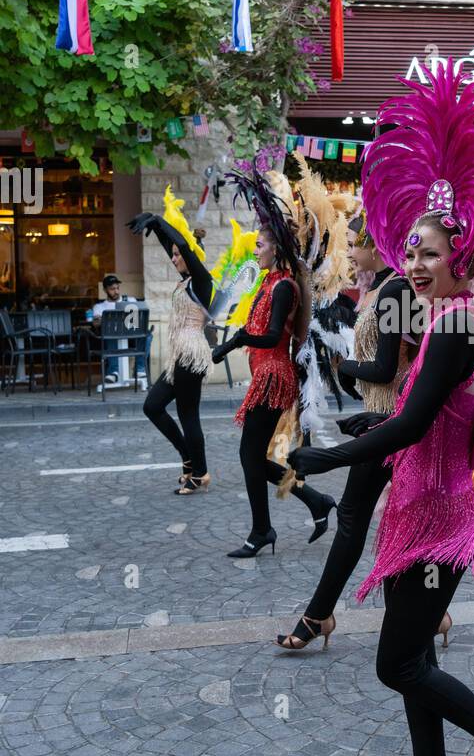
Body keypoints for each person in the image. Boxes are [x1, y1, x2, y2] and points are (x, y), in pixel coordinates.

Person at [291, 66, 474, 756]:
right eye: (409, 250)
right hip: (426, 506)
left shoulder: (454, 324)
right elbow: (421, 412)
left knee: (398, 665)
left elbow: (409, 429)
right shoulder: (462, 319)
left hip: (438, 517)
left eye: (429, 253)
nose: (413, 262)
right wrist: (355, 433)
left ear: (460, 257)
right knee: (415, 665)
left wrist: (323, 462)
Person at [275, 210, 419, 653]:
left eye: (353, 244)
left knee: (356, 518)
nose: (349, 254)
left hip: (393, 419)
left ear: (374, 245)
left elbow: (386, 365)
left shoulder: (394, 290)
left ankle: (319, 616)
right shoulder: (379, 290)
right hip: (380, 416)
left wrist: (344, 365)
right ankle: (429, 616)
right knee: (393, 520)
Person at [213, 170, 336, 558]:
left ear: (276, 247)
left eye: (260, 245)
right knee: (252, 457)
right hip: (262, 374)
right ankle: (313, 502)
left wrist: (236, 339)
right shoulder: (267, 282)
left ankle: (262, 530)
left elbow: (271, 338)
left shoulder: (283, 286)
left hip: (273, 376)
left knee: (250, 457)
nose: (255, 251)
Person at [128, 207, 213, 494]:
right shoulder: (186, 279)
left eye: (178, 255)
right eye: (173, 255)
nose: (174, 258)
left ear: (191, 257)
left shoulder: (202, 281)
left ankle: (199, 473)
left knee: (189, 415)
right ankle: (188, 460)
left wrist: (160, 221)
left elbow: (186, 249)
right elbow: (175, 248)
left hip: (192, 355)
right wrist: (155, 223)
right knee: (152, 406)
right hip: (180, 356)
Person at [91, 274, 143, 384]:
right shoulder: (99, 307)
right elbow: (95, 323)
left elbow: (138, 318)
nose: (116, 291)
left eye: (117, 288)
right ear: (105, 290)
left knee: (146, 335)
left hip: (131, 337)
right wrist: (105, 320)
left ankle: (139, 369)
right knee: (110, 332)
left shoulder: (130, 300)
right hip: (112, 337)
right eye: (112, 289)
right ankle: (113, 372)